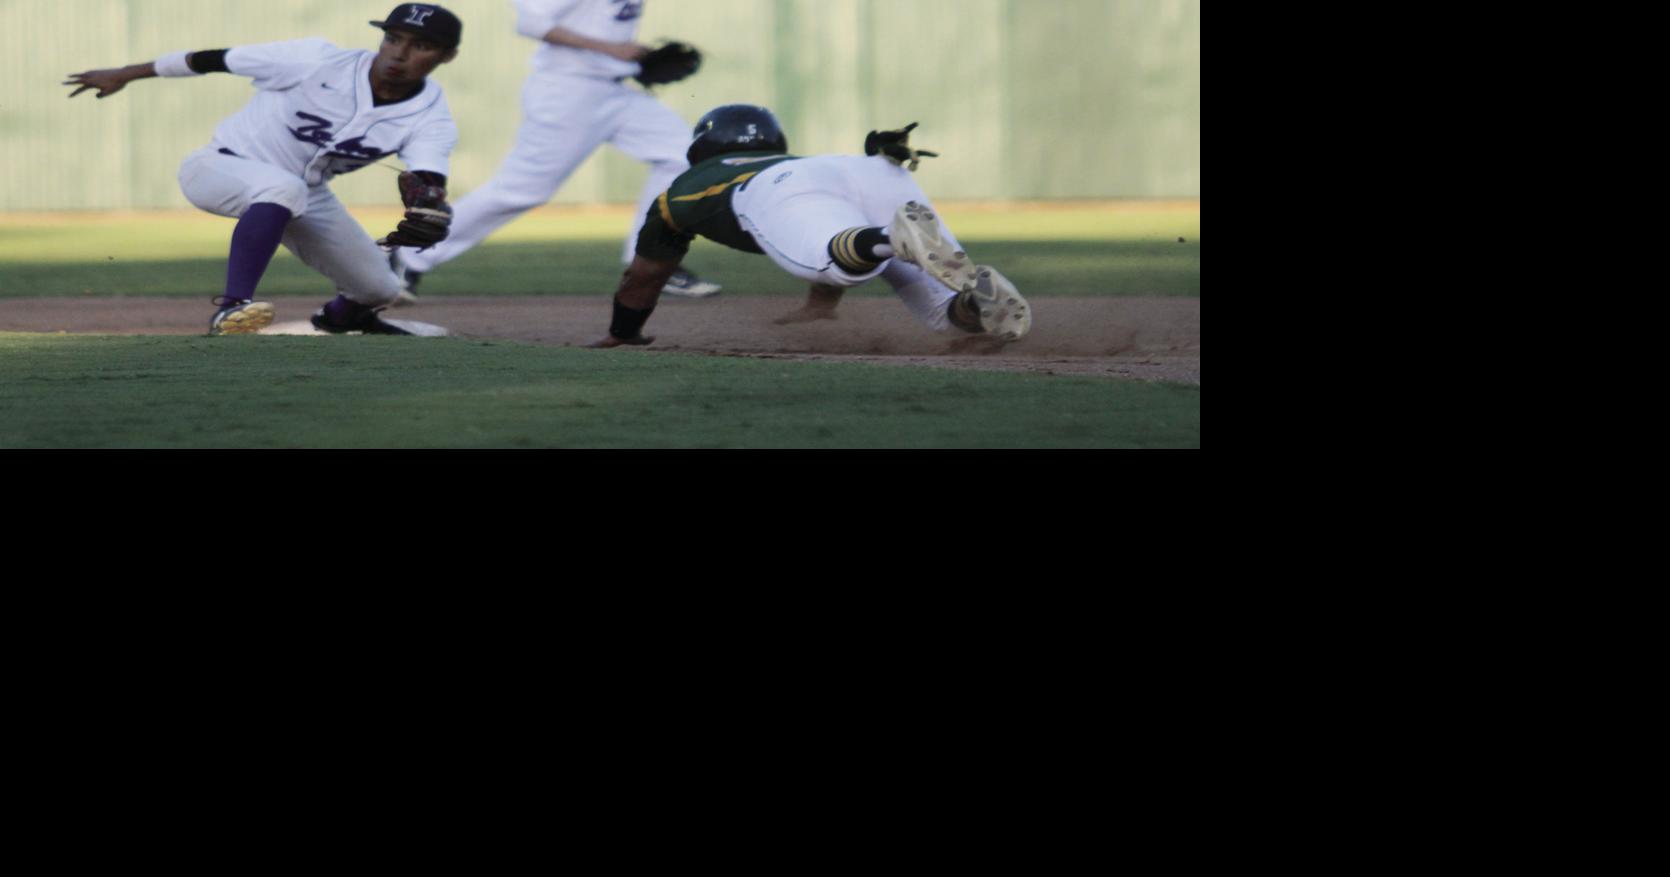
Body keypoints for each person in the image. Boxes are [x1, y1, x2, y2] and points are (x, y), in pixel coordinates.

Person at [64, 4, 465, 336]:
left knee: (380, 286)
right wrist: (125, 74)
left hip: (305, 194)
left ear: (446, 57)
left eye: (421, 46)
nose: (399, 53)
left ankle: (343, 322)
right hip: (221, 166)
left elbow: (428, 175)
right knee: (283, 188)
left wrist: (428, 202)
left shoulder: (431, 117)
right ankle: (233, 308)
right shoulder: (316, 60)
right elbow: (211, 60)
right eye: (393, 38)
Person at [589, 105, 1032, 349]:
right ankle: (976, 302)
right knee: (942, 310)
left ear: (702, 146)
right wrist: (821, 306)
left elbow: (642, 278)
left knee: (835, 262)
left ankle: (891, 239)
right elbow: (817, 214)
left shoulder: (680, 192)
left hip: (775, 190)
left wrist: (623, 332)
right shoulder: (795, 160)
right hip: (871, 169)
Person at [388, 0, 722, 305]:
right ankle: (409, 255)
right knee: (520, 190)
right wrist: (610, 49)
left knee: (684, 156)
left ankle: (648, 266)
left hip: (616, 91)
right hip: (567, 90)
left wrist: (630, 57)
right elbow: (530, 22)